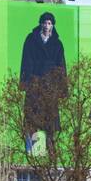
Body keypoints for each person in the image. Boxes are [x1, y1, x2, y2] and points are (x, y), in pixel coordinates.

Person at [19, 11, 68, 153]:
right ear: (40, 24)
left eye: (49, 23)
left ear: (52, 25)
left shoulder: (57, 43)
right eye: (45, 23)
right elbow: (25, 61)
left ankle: (49, 149)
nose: (47, 25)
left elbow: (62, 66)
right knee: (32, 117)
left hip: (50, 86)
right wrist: (25, 82)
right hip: (34, 83)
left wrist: (62, 89)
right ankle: (34, 150)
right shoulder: (31, 39)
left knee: (50, 119)